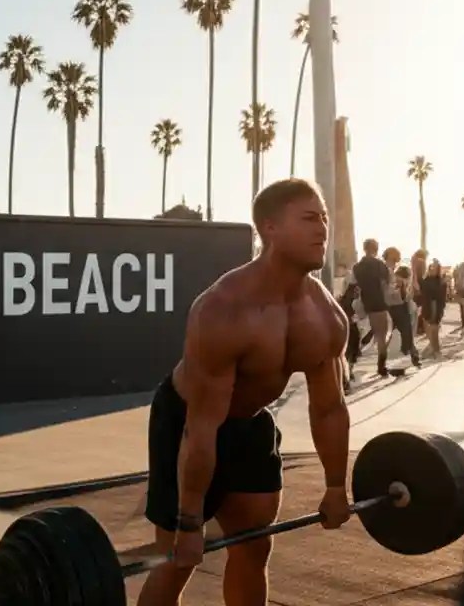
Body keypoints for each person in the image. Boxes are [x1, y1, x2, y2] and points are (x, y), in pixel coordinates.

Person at [138, 178, 351, 606]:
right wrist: (189, 520)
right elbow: (200, 429)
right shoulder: (223, 309)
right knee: (178, 559)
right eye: (309, 219)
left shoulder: (325, 315)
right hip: (188, 420)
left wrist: (334, 487)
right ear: (269, 229)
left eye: (324, 219)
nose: (322, 229)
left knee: (254, 547)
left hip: (252, 420)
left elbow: (328, 408)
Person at [352, 239, 394, 378]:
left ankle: (351, 364)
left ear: (364, 249)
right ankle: (381, 366)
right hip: (378, 304)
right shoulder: (380, 266)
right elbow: (385, 286)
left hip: (363, 304)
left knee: (359, 335)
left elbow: (353, 286)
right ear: (376, 249)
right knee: (383, 336)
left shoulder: (357, 267)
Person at [418, 259, 447, 359]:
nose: (432, 269)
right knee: (429, 330)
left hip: (435, 306)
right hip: (427, 306)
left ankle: (436, 351)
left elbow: (441, 297)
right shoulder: (425, 280)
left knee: (434, 329)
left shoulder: (440, 281)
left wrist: (440, 309)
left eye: (434, 267)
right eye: (430, 267)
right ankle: (433, 349)